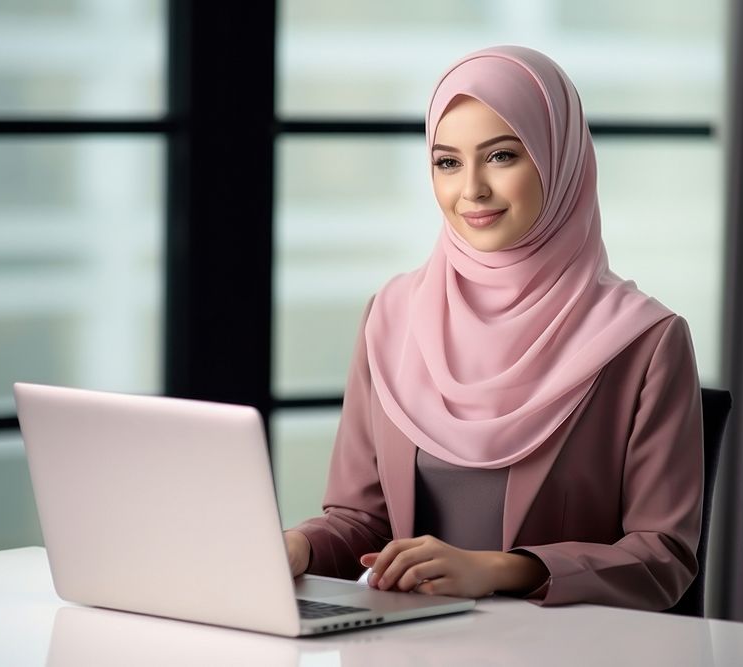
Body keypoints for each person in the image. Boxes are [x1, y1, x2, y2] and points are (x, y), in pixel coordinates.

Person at [282, 45, 703, 610]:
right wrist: (297, 547)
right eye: (447, 163)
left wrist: (500, 570)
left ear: (559, 159)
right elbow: (360, 523)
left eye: (501, 156)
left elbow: (662, 557)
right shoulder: (391, 317)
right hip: (405, 641)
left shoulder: (645, 342)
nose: (472, 190)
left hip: (558, 646)